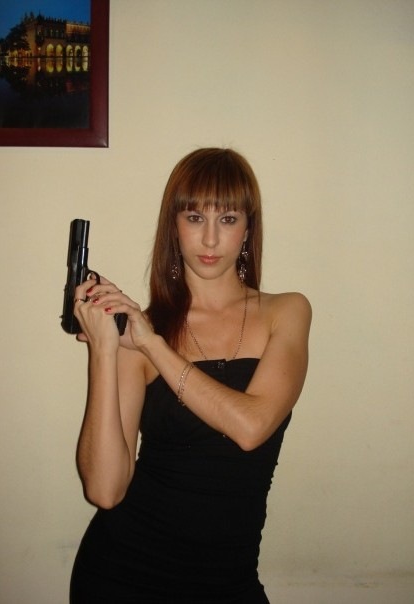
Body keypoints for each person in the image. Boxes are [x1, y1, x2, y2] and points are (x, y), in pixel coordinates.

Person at [69, 147, 311, 603]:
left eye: (228, 218)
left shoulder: (286, 312)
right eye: (195, 217)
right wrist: (104, 348)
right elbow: (104, 490)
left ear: (248, 229)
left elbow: (250, 427)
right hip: (123, 575)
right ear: (174, 227)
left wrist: (153, 345)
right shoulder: (140, 332)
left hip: (228, 581)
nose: (211, 239)